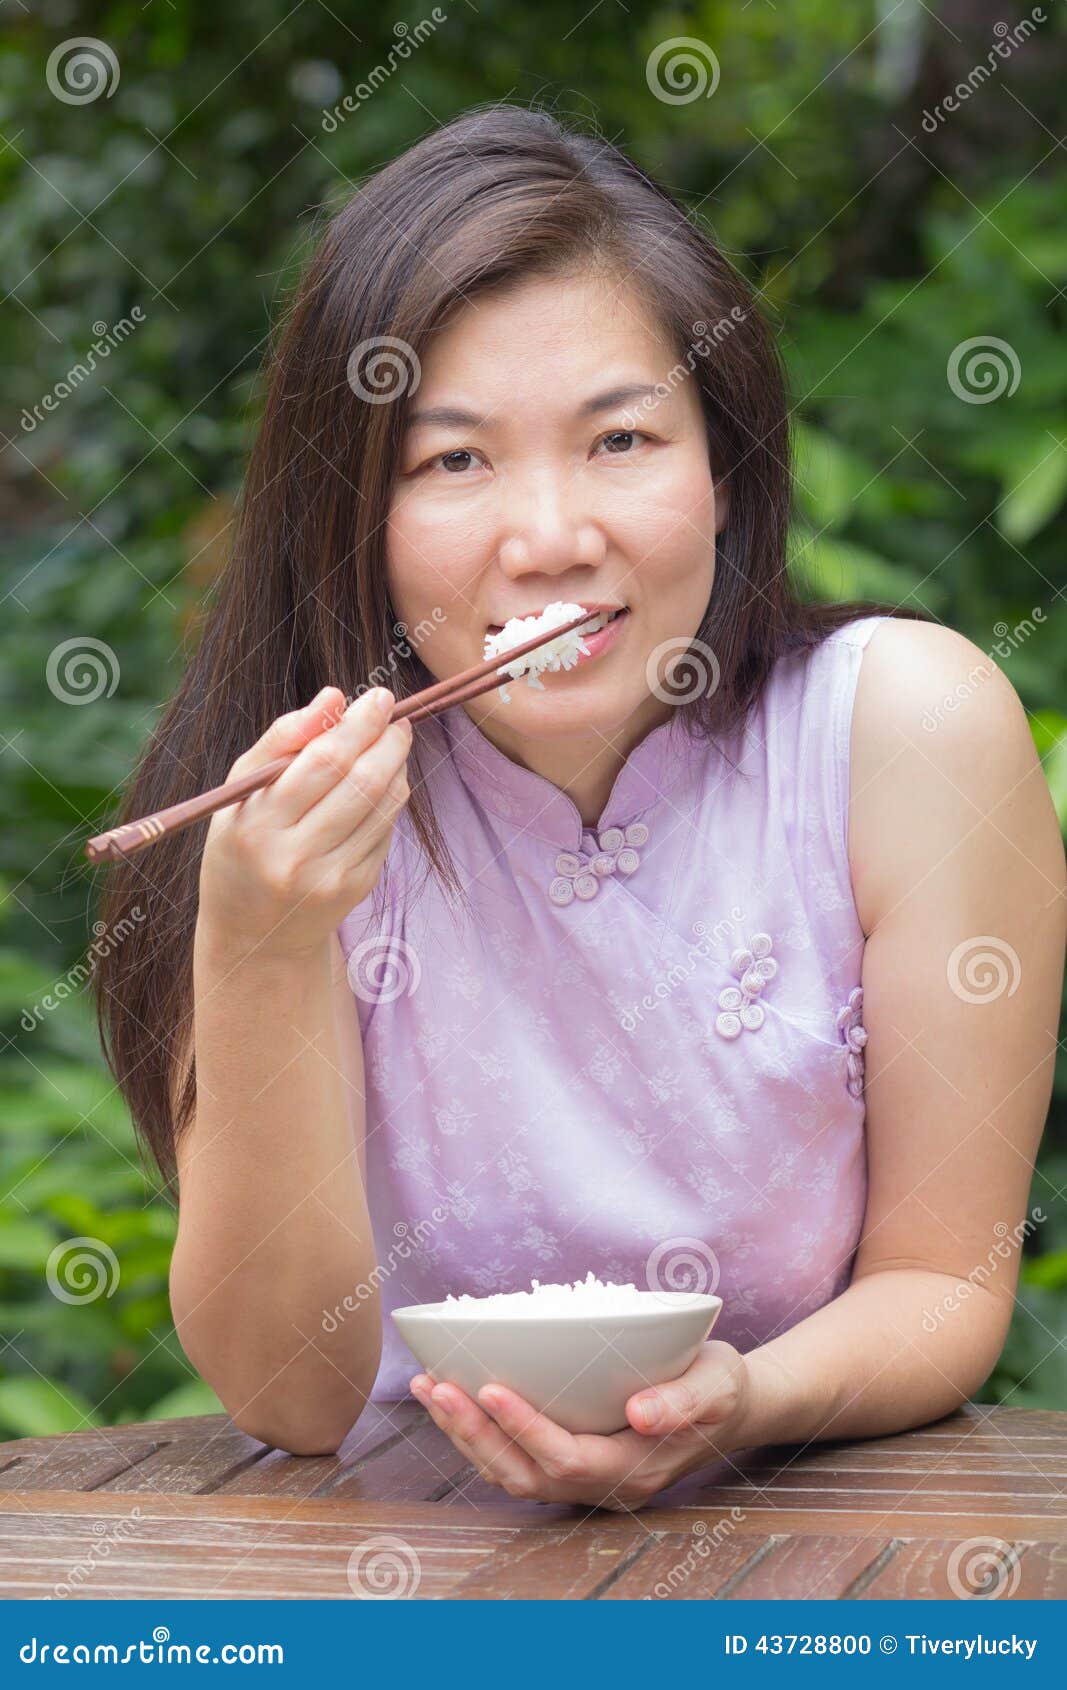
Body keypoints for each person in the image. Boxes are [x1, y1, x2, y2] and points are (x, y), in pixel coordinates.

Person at [95, 104, 1066, 1511]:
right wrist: (256, 941)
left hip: (805, 1556)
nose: (550, 537)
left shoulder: (905, 735)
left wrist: (743, 1398)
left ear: (723, 469)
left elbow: (940, 1281)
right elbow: (291, 1397)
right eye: (453, 461)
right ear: (348, 514)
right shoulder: (290, 825)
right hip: (385, 1590)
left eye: (620, 439)